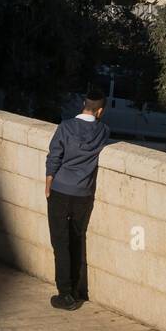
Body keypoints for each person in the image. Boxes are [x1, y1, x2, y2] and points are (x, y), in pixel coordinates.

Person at [44, 90, 111, 311]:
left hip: (60, 190)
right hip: (83, 194)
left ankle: (64, 295)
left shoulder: (65, 127)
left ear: (84, 104)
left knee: (60, 243)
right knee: (76, 239)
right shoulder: (103, 132)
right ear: (100, 110)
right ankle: (75, 290)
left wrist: (48, 186)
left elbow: (54, 156)